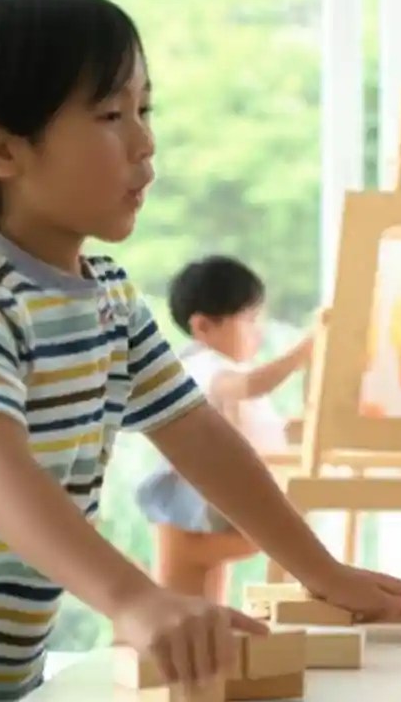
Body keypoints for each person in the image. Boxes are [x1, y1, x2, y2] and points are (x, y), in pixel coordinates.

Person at [0, 0, 401, 702]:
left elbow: (200, 438)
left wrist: (322, 572)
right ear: (0, 149)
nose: (145, 141)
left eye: (144, 110)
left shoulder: (109, 296)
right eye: (111, 115)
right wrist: (135, 599)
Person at [136, 255, 314, 603]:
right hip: (194, 503)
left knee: (207, 598)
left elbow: (265, 427)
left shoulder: (226, 369)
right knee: (195, 592)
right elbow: (249, 386)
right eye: (248, 320)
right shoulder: (203, 366)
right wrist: (305, 350)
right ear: (203, 327)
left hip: (213, 503)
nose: (258, 331)